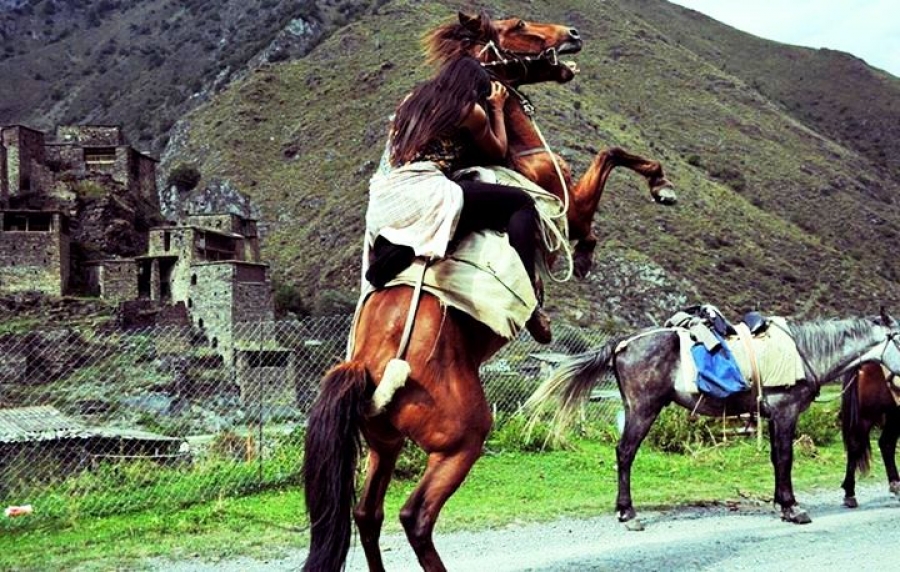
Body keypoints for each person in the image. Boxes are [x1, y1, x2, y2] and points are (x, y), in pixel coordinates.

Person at [365, 55, 551, 343]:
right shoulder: (468, 110)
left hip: (383, 201)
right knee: (520, 204)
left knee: (460, 204)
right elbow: (498, 151)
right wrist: (496, 108)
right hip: (425, 190)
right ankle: (528, 301)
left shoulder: (410, 101)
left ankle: (402, 250)